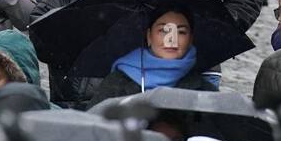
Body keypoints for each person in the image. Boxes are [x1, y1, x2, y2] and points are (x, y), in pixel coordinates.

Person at [87, 6, 217, 109]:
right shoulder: (117, 82)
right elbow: (92, 131)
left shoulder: (205, 91)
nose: (171, 39)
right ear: (149, 36)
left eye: (181, 32)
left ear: (190, 39)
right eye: (163, 30)